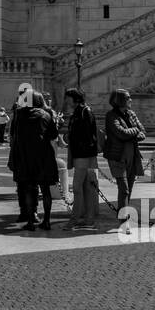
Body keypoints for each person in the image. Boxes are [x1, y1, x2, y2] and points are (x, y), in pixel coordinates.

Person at [8, 89, 59, 231]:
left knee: (29, 189)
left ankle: (30, 221)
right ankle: (47, 221)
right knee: (46, 190)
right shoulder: (46, 114)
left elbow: (15, 135)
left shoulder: (19, 114)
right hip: (43, 156)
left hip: (25, 156)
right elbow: (53, 135)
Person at [103, 89, 146, 215]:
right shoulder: (111, 115)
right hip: (117, 156)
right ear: (120, 100)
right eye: (128, 98)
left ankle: (124, 211)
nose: (131, 100)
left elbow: (143, 132)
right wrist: (135, 131)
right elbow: (120, 133)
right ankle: (123, 217)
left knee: (130, 188)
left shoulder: (131, 113)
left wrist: (132, 133)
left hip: (133, 155)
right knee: (124, 189)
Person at [63, 89, 99, 231]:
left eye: (68, 98)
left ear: (75, 99)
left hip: (84, 155)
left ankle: (75, 219)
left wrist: (70, 137)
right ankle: (89, 219)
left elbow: (86, 135)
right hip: (82, 154)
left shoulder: (85, 112)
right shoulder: (79, 112)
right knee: (86, 188)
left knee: (77, 188)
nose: (66, 101)